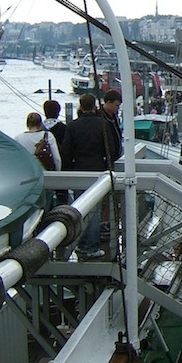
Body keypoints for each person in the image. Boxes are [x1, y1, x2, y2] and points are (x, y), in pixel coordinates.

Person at [62, 93, 123, 260]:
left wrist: (69, 169)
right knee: (94, 209)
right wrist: (107, 167)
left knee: (79, 208)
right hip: (97, 171)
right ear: (94, 105)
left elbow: (66, 151)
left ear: (80, 106)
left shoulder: (73, 126)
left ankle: (80, 244)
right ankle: (91, 246)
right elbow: (110, 148)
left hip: (78, 170)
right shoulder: (102, 124)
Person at [15, 111, 62, 211]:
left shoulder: (18, 138)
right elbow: (57, 159)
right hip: (46, 178)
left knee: (28, 209)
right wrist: (57, 173)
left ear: (27, 124)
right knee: (45, 208)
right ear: (40, 123)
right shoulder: (48, 136)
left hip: (27, 179)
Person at [42, 99, 69, 206]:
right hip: (61, 166)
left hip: (42, 165)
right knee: (62, 197)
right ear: (58, 112)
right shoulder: (64, 128)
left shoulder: (40, 129)